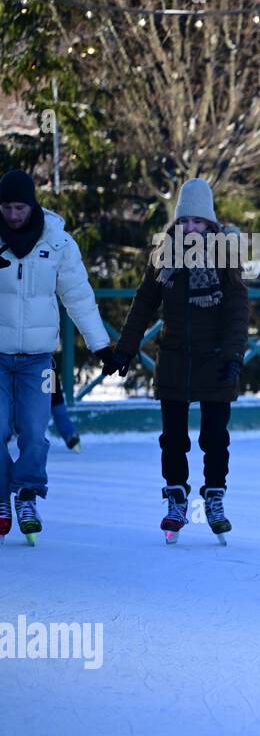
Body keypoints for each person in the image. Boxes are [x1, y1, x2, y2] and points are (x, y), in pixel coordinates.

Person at [111, 178, 251, 542]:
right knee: (173, 438)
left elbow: (237, 310)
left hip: (216, 359)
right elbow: (143, 304)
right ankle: (175, 498)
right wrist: (125, 348)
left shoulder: (225, 257)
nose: (191, 228)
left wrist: (234, 355)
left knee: (214, 437)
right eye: (185, 221)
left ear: (211, 224)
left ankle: (215, 497)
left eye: (199, 222)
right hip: (173, 359)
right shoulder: (163, 255)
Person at [0, 169, 116, 544]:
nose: (13, 215)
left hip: (38, 361)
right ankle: (2, 499)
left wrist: (100, 345)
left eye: (20, 207)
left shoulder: (59, 243)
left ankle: (28, 495)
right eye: (6, 207)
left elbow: (79, 297)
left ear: (32, 205)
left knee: (34, 432)